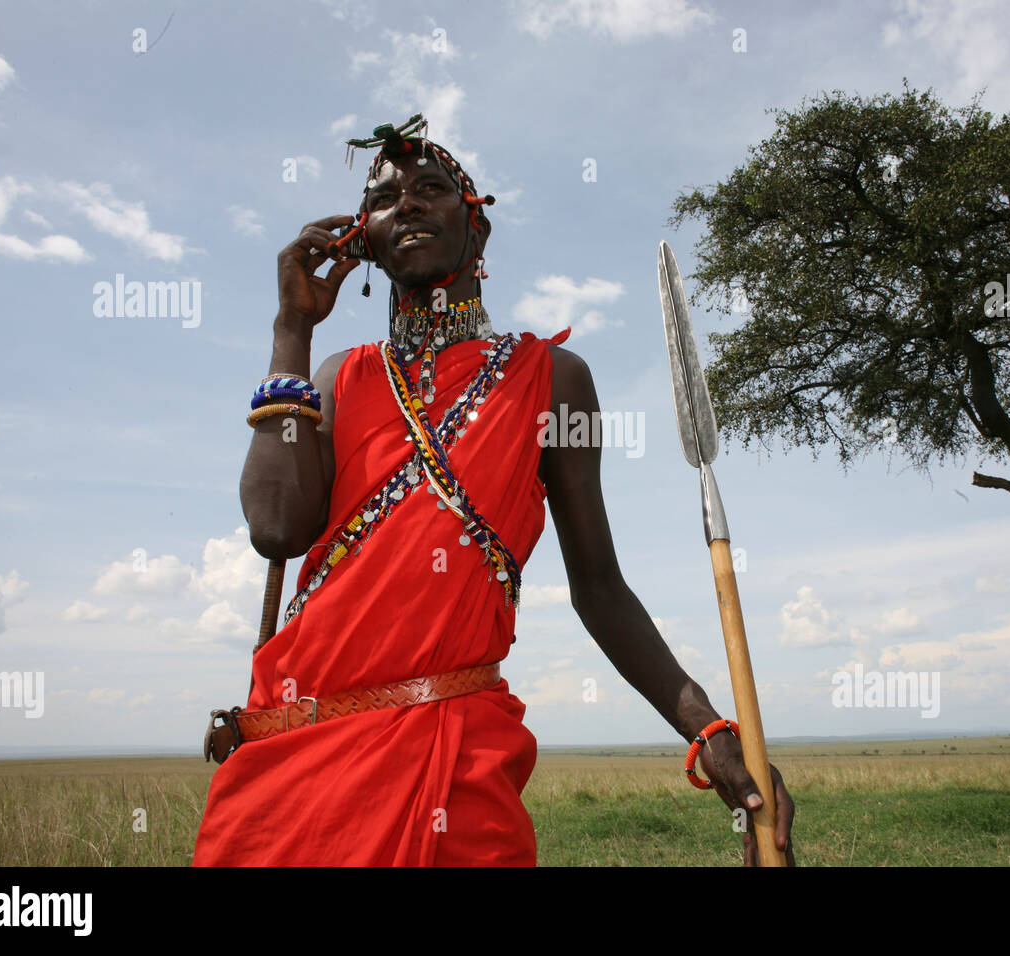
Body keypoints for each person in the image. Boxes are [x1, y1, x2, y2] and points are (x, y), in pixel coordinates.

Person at [193, 116, 795, 866]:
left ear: (476, 232)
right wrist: (292, 330)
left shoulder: (552, 381)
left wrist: (709, 729)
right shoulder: (335, 380)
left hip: (455, 756)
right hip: (298, 762)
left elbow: (600, 588)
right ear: (364, 243)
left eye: (431, 189)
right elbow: (277, 529)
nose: (407, 204)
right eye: (384, 199)